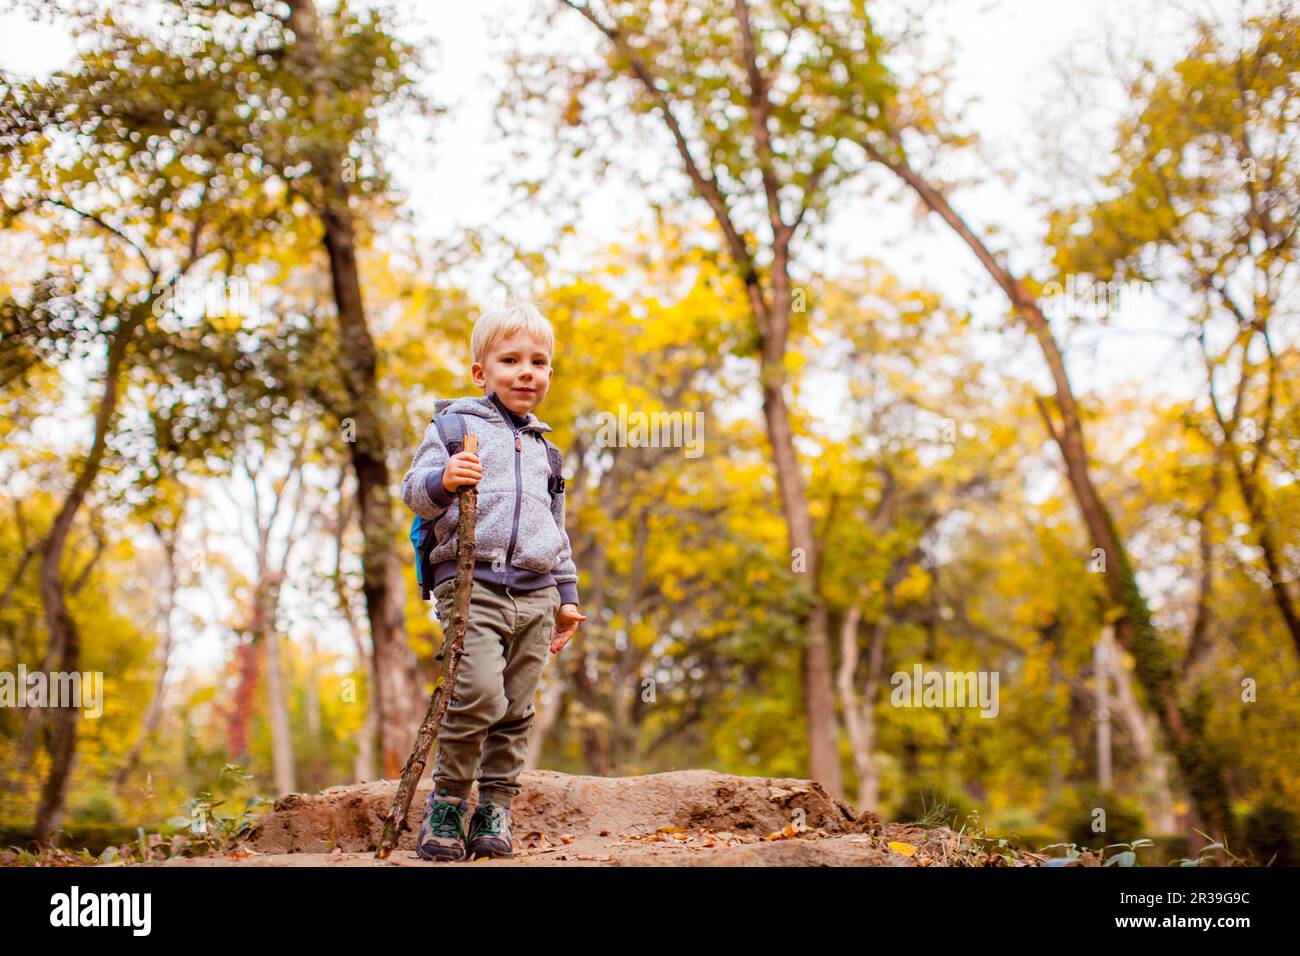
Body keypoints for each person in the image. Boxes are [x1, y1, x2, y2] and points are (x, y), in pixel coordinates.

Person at [400, 298, 586, 862]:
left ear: (550, 373)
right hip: (472, 585)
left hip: (536, 593)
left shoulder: (546, 451)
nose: (526, 371)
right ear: (481, 372)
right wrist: (443, 477)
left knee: (517, 707)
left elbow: (555, 529)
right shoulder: (454, 426)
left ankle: (495, 808)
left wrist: (568, 596)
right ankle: (449, 802)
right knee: (477, 693)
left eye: (538, 361)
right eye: (510, 360)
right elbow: (413, 492)